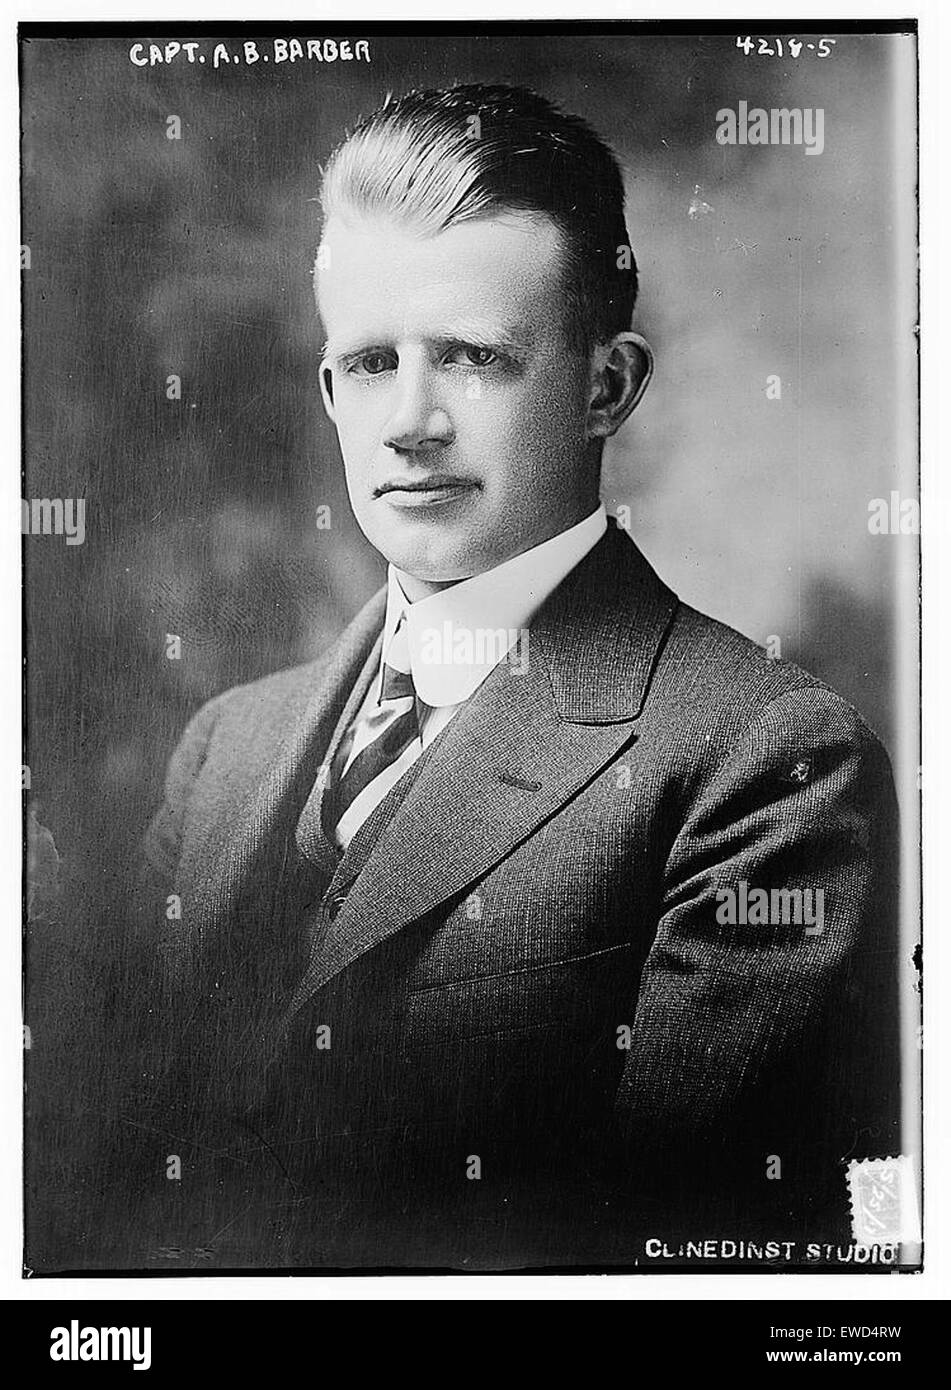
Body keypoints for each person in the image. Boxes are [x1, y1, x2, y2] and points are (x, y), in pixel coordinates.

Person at [136, 84, 900, 1271]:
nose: (411, 422)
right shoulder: (227, 744)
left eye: (476, 359)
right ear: (331, 392)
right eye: (372, 361)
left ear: (609, 386)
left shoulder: (771, 764)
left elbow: (678, 1265)